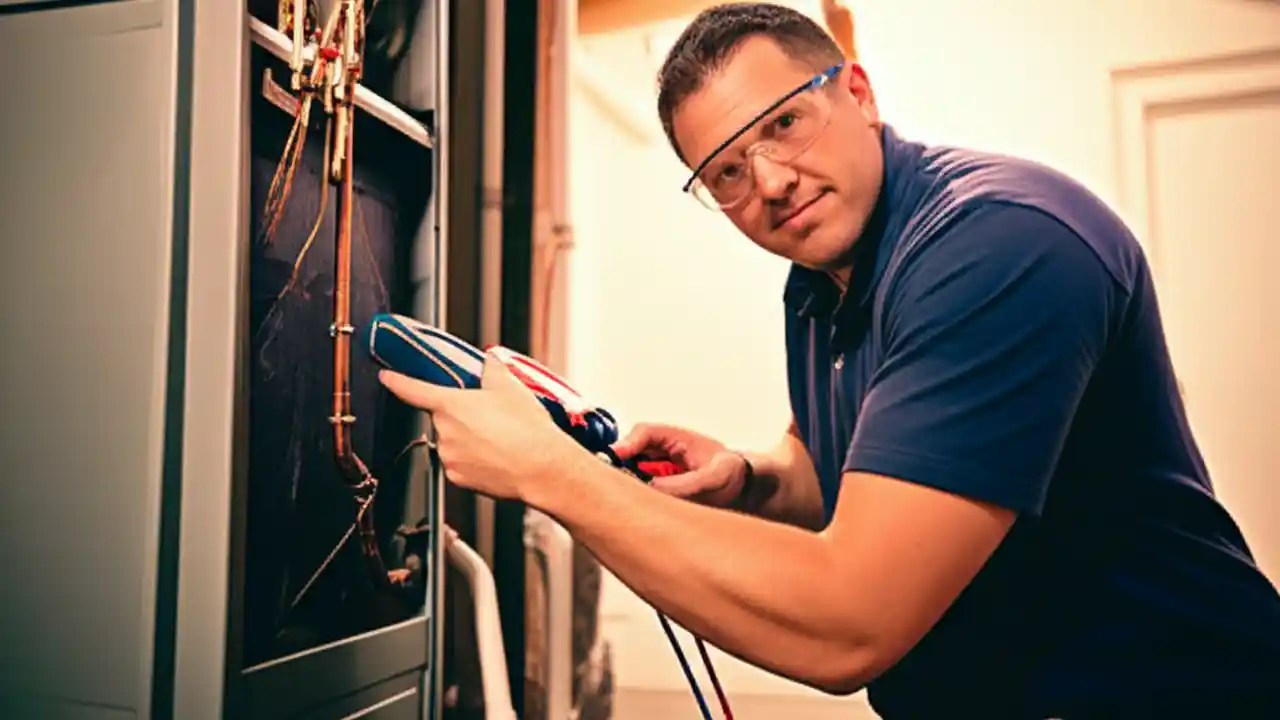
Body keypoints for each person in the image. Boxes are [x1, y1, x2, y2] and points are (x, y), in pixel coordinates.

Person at [380, 3, 1280, 717]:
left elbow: (850, 626)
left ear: (858, 92)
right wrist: (753, 480)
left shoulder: (999, 245)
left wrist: (549, 477)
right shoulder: (821, 275)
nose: (768, 181)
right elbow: (846, 454)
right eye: (726, 173)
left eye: (784, 124)